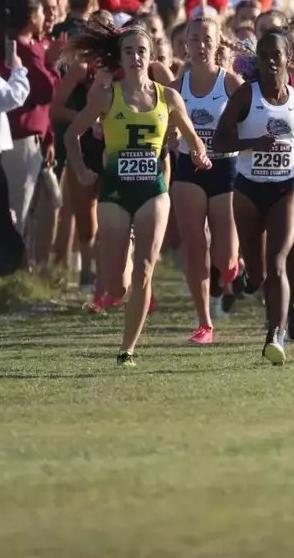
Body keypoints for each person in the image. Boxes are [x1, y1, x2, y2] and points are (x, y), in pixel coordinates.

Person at [66, 23, 209, 365]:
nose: (135, 57)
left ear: (151, 56)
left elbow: (192, 136)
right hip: (115, 191)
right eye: (128, 51)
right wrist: (82, 170)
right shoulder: (106, 96)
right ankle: (122, 261)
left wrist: (199, 153)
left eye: (141, 51)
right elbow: (72, 135)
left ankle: (127, 348)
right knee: (116, 287)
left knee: (146, 270)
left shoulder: (168, 97)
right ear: (120, 57)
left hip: (153, 192)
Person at [214, 31, 294, 364]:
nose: (271, 61)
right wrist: (252, 144)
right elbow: (219, 142)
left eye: (276, 54)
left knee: (281, 256)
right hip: (248, 189)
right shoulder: (245, 97)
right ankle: (274, 300)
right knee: (259, 276)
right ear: (257, 61)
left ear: (288, 56)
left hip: (286, 187)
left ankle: (275, 333)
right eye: (263, 56)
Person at [169, 16, 240, 344]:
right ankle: (204, 323)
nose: (200, 46)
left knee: (225, 258)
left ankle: (233, 268)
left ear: (218, 43)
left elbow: (256, 118)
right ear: (186, 44)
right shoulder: (175, 88)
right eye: (194, 39)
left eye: (207, 39)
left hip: (225, 168)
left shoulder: (230, 84)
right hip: (189, 169)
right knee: (194, 245)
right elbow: (157, 124)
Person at [0, 0, 60, 235]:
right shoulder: (25, 50)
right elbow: (48, 92)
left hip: (22, 138)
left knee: (22, 206)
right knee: (17, 207)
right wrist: (51, 64)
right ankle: (8, 263)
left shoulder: (23, 46)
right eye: (42, 12)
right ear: (32, 18)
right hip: (20, 140)